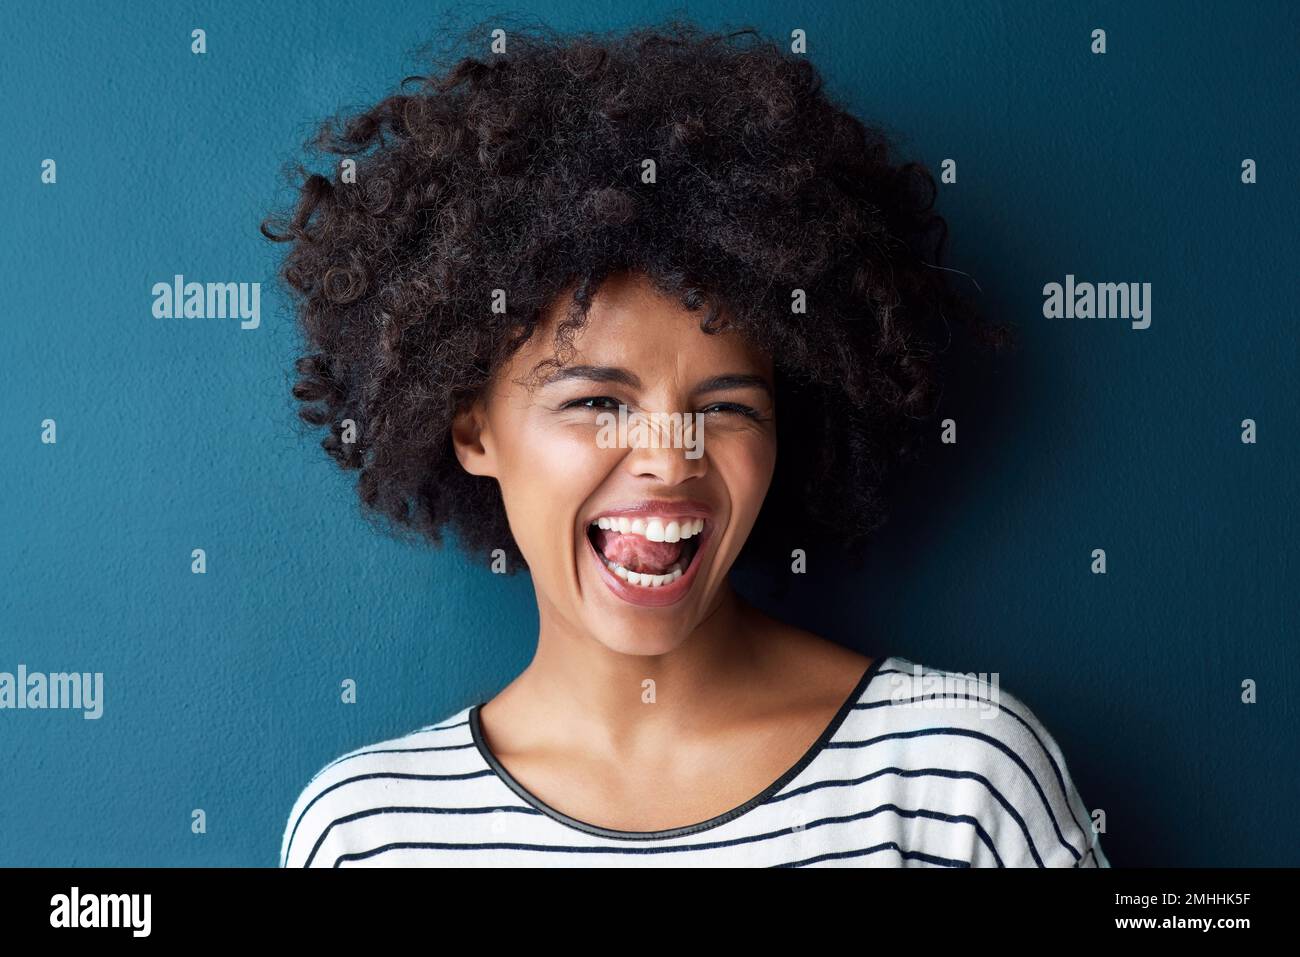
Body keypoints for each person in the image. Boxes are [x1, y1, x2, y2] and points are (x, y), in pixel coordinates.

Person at [266, 18, 1107, 868]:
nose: (671, 458)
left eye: (728, 407)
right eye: (598, 400)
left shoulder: (956, 780)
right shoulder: (368, 833)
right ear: (472, 427)